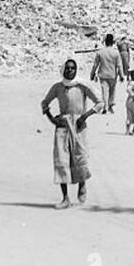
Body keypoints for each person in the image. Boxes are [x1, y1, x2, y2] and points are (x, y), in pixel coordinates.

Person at [40, 58, 101, 208]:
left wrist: (85, 116)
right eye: (67, 68)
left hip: (79, 126)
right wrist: (52, 119)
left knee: (79, 157)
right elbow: (45, 103)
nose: (69, 71)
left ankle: (82, 185)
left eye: (72, 68)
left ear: (76, 70)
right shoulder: (58, 87)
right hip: (62, 126)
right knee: (61, 160)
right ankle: (65, 198)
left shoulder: (82, 86)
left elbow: (100, 102)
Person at [90, 33, 125, 113]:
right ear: (113, 42)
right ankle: (110, 105)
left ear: (105, 42)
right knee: (112, 91)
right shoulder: (116, 53)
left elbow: (95, 65)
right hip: (112, 75)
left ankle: (105, 107)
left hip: (102, 75)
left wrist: (92, 74)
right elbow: (119, 65)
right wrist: (121, 75)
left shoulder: (100, 52)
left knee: (104, 91)